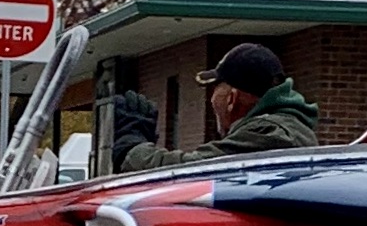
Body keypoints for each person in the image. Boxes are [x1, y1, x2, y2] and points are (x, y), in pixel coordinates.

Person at [111, 43, 320, 170]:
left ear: (232, 98)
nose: (211, 99)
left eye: (215, 88)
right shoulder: (289, 128)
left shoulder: (268, 134)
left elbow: (189, 173)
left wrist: (131, 148)